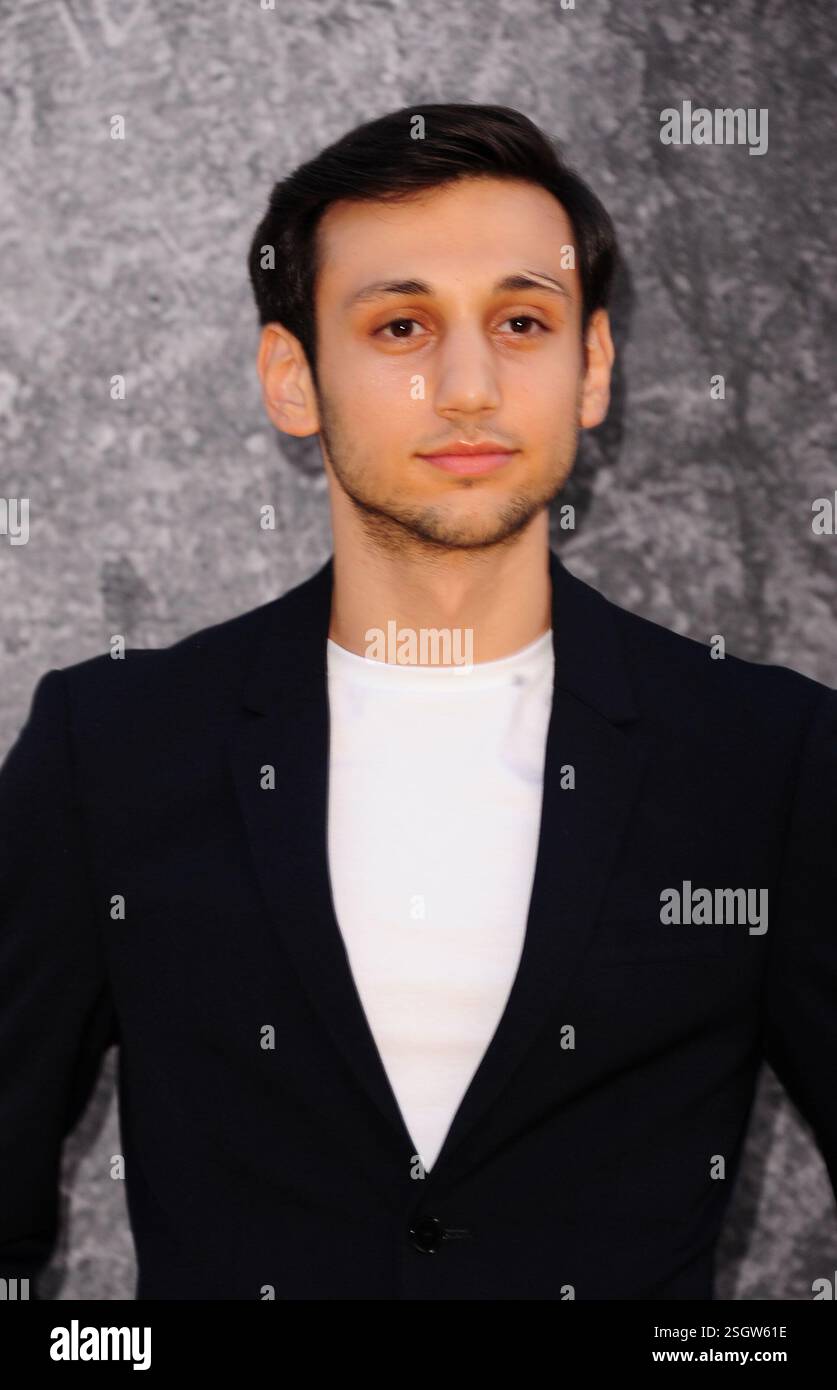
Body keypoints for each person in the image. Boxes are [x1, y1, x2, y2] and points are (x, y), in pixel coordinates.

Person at [1, 103, 835, 1301]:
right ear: (295, 379)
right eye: (401, 324)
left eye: (521, 322)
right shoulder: (113, 751)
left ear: (591, 367)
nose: (467, 384)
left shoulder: (768, 758)